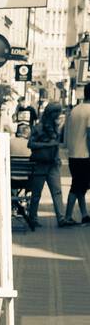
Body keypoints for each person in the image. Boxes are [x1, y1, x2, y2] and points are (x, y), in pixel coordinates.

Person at [27, 102, 71, 229]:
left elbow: (55, 144)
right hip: (40, 164)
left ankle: (61, 218)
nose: (58, 115)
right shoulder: (39, 127)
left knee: (57, 191)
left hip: (52, 164)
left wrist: (57, 157)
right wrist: (46, 145)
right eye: (56, 112)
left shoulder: (55, 127)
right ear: (50, 113)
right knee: (36, 193)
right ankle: (33, 218)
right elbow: (30, 144)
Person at [64, 82, 90, 225]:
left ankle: (85, 215)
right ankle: (67, 216)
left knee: (80, 185)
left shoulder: (75, 110)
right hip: (85, 155)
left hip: (73, 154)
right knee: (78, 186)